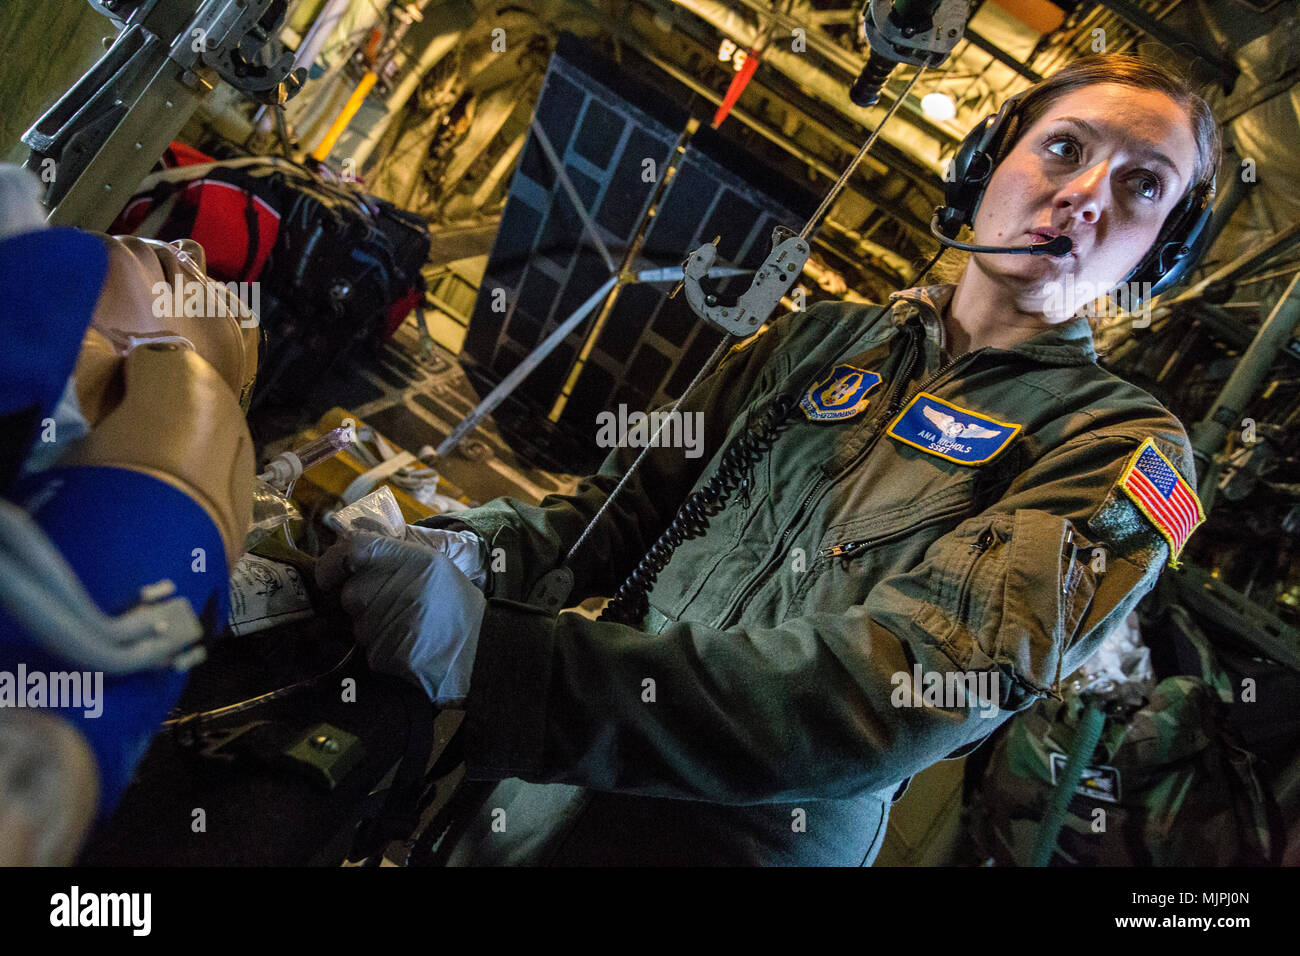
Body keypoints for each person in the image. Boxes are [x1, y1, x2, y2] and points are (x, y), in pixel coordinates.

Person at [316, 53, 1221, 865]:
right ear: (988, 160)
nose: (1089, 194)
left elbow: (895, 689)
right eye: (1065, 149)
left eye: (1143, 185)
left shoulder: (1116, 449)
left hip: (745, 839)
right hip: (541, 788)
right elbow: (620, 508)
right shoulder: (817, 343)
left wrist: (497, 655)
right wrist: (479, 547)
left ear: (1161, 253)